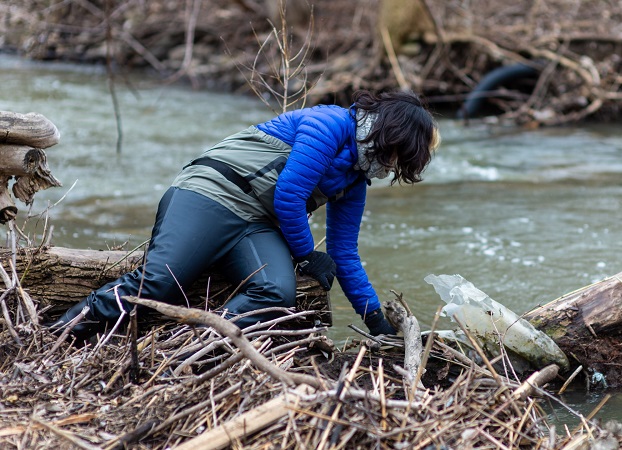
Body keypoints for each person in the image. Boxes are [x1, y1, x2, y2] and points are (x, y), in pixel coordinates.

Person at [53, 89, 440, 342]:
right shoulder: (330, 124)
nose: (391, 168)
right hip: (210, 192)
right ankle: (64, 331)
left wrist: (375, 320)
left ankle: (197, 344)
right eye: (397, 158)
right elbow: (289, 196)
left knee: (277, 291)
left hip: (255, 224)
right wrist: (306, 255)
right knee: (159, 282)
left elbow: (344, 252)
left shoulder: (354, 179)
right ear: (389, 137)